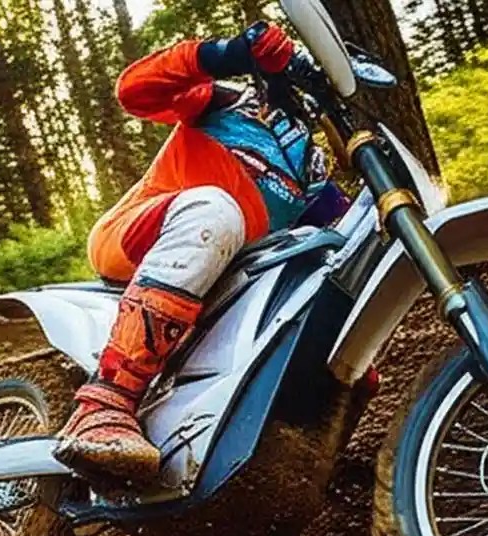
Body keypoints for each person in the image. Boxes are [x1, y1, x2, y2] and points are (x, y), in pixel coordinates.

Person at [53, 22, 352, 488]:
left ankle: (310, 456)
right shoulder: (228, 102)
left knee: (333, 282)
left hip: (222, 273)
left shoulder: (312, 170)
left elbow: (337, 237)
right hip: (140, 233)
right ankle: (104, 404)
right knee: (217, 209)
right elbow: (134, 91)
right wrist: (227, 55)